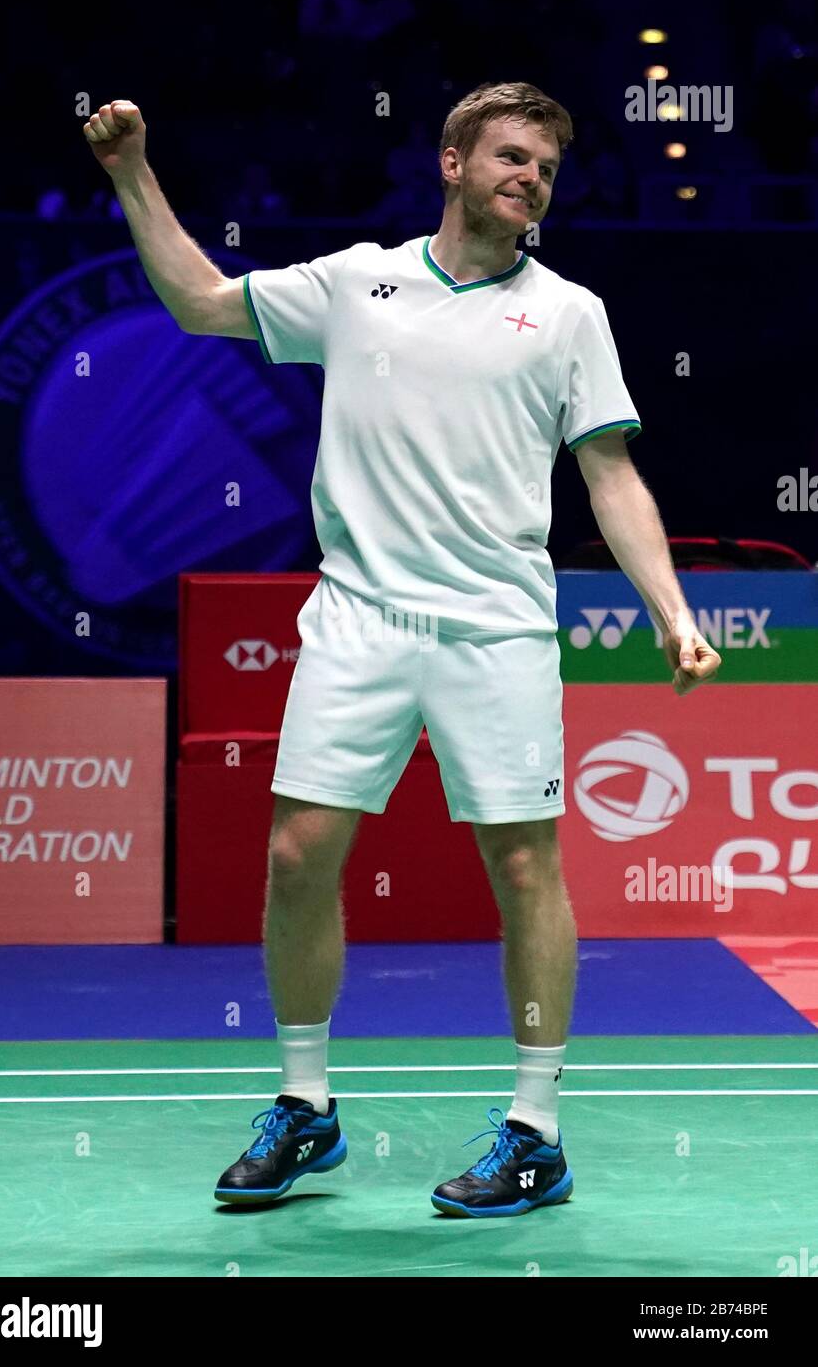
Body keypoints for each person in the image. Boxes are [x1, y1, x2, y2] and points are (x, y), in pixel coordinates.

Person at [84, 82, 722, 1219]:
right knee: (296, 855)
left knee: (526, 870)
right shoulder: (356, 285)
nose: (530, 179)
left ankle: (536, 1130)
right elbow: (196, 301)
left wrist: (670, 608)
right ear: (453, 162)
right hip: (360, 619)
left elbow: (609, 470)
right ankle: (305, 1103)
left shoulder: (570, 312)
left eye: (546, 169)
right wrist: (133, 171)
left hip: (497, 626)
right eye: (513, 157)